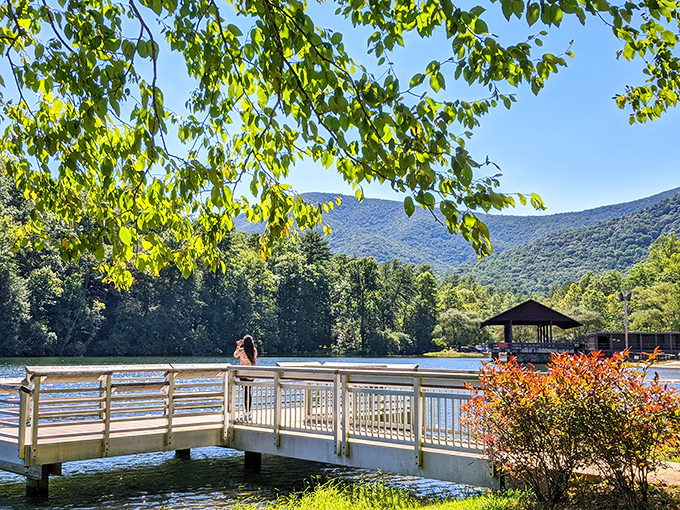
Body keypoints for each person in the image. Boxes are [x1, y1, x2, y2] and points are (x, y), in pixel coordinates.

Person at [234, 335, 257, 416]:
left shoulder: (241, 350)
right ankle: (248, 410)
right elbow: (255, 356)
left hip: (243, 374)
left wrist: (238, 346)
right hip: (251, 374)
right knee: (248, 391)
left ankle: (247, 410)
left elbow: (235, 355)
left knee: (245, 392)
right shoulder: (254, 350)